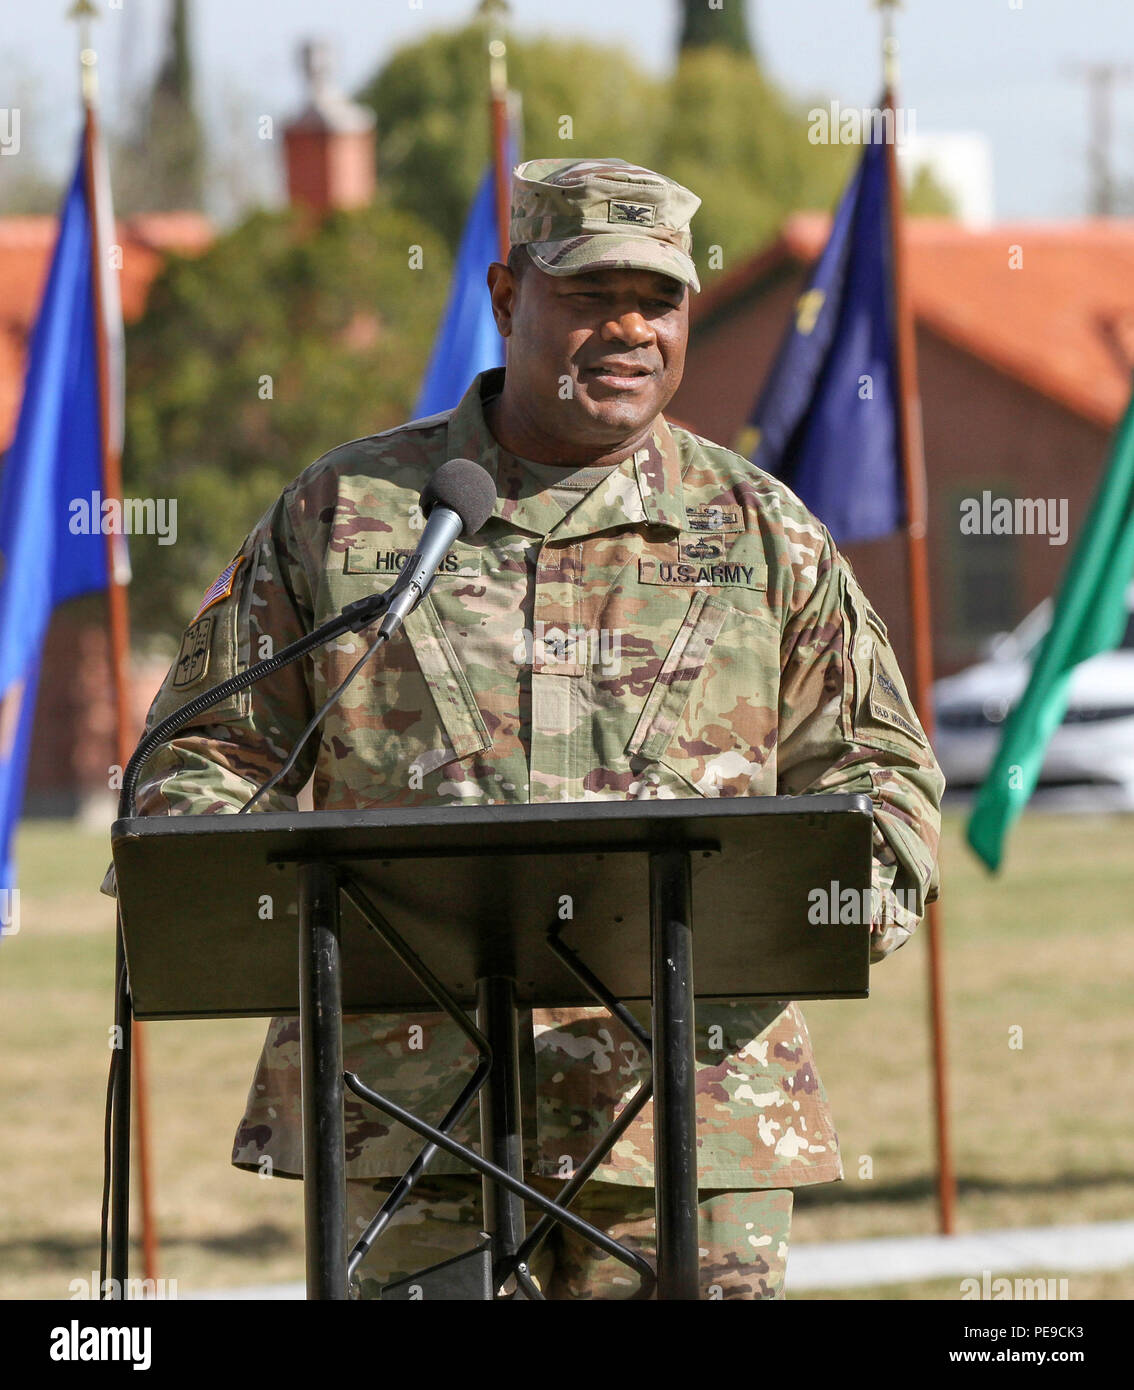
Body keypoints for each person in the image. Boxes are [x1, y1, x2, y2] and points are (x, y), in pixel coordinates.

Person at [134, 156, 944, 1300]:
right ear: (508, 295)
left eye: (657, 301)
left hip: (691, 1118)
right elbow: (201, 753)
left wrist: (818, 900)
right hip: (409, 1122)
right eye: (588, 295)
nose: (628, 330)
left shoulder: (764, 533)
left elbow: (883, 774)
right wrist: (241, 890)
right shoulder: (352, 516)